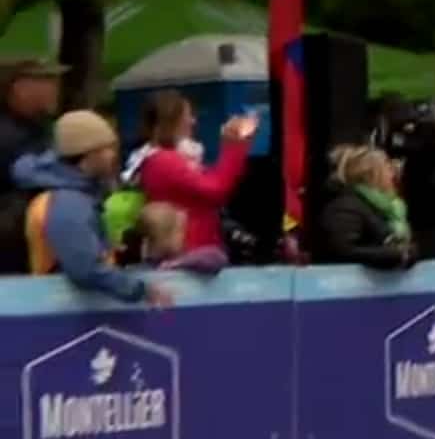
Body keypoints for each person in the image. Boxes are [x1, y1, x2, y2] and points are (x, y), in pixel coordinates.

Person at [7, 110, 172, 305]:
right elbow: (84, 267)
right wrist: (138, 289)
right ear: (90, 154)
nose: (114, 155)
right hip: (61, 314)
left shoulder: (76, 197)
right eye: (108, 148)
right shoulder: (69, 202)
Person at [130, 91, 256, 258]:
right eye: (187, 116)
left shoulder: (165, 158)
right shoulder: (163, 161)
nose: (193, 122)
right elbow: (215, 190)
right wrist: (234, 146)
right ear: (171, 121)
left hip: (192, 246)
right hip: (188, 250)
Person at [315, 145, 417, 272]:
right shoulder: (345, 208)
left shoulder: (385, 207)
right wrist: (396, 254)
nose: (393, 173)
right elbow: (343, 251)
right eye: (388, 168)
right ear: (372, 175)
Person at [0, 57, 65, 194]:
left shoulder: (41, 123)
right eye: (47, 82)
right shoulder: (8, 136)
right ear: (20, 89)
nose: (56, 89)